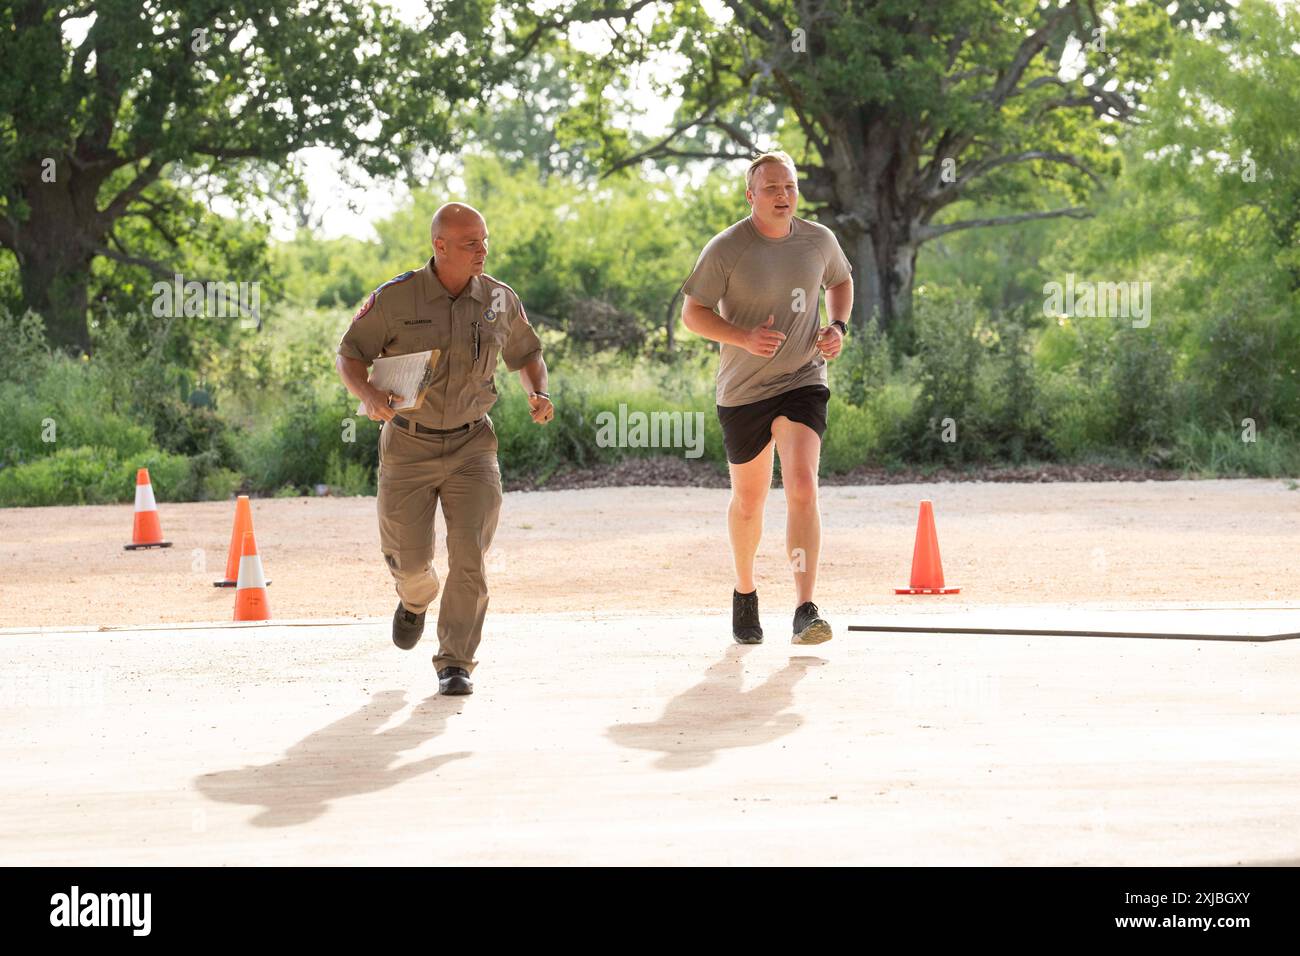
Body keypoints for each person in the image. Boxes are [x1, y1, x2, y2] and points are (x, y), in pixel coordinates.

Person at [335, 202, 553, 695]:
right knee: (411, 563)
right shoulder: (396, 298)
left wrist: (538, 392)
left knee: (470, 556)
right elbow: (350, 355)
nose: (483, 250)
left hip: (473, 445)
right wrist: (368, 394)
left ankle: (455, 662)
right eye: (471, 242)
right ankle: (415, 599)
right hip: (408, 444)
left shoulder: (499, 299)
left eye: (485, 240)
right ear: (440, 245)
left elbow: (527, 353)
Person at [680, 151, 854, 646]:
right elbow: (693, 313)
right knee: (749, 500)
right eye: (772, 188)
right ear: (750, 195)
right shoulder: (727, 248)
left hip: (803, 378)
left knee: (802, 485)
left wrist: (838, 326)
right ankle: (745, 591)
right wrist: (742, 337)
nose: (783, 196)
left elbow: (841, 280)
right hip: (744, 390)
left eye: (790, 187)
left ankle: (805, 608)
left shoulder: (818, 240)